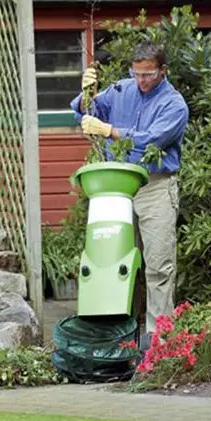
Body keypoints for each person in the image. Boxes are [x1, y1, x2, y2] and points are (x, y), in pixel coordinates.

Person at [70, 42, 189, 349]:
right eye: (136, 73)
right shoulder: (121, 90)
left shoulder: (174, 105)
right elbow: (87, 114)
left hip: (155, 187)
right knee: (116, 263)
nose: (141, 80)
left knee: (158, 265)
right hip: (117, 188)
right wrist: (86, 94)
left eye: (148, 74)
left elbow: (151, 139)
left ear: (163, 71)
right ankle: (121, 340)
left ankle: (159, 343)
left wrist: (110, 131)